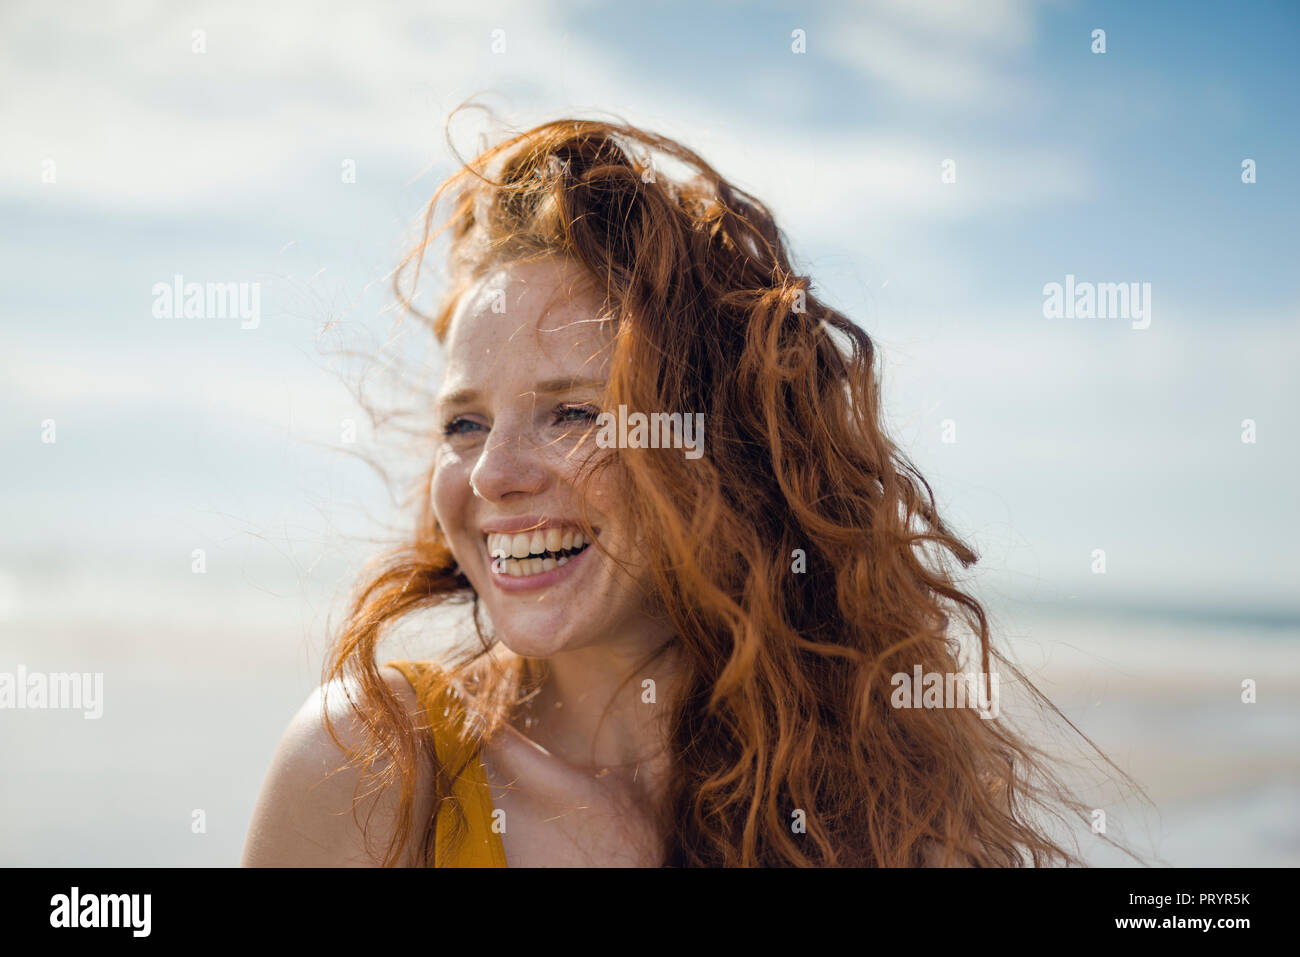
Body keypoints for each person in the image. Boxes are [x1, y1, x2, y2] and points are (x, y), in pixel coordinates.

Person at [242, 116, 1131, 867]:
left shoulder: (877, 804)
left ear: (721, 450)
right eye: (464, 423)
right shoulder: (371, 769)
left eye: (573, 413)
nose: (494, 474)